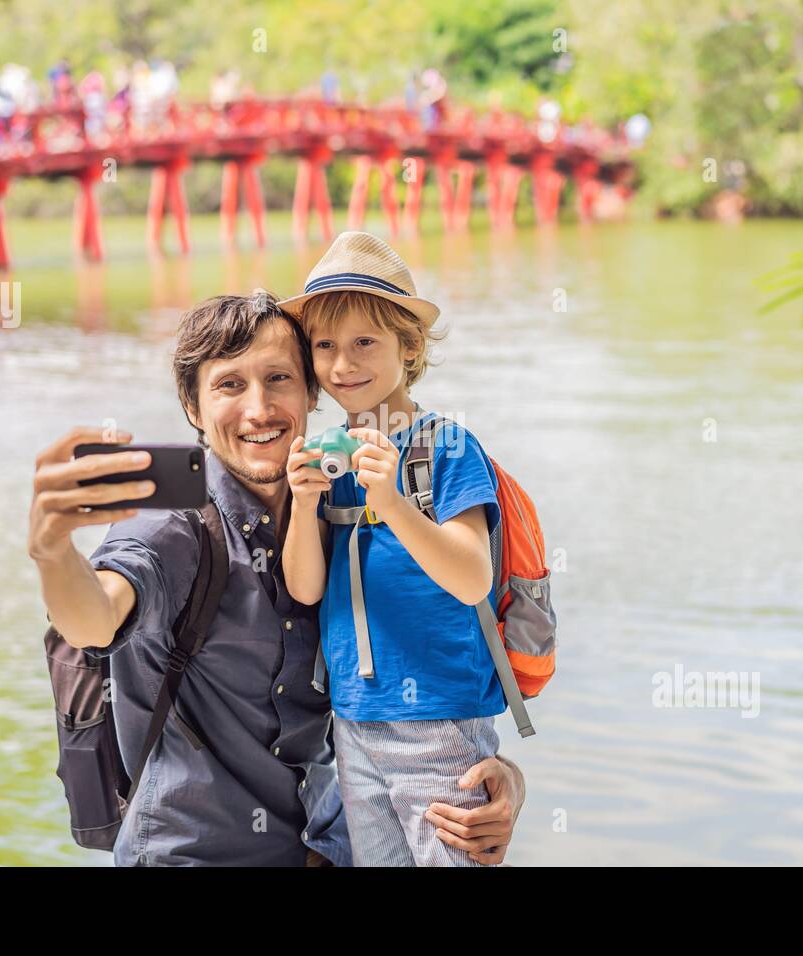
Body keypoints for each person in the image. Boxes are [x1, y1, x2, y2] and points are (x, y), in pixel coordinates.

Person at [28, 292, 525, 866]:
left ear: (311, 391)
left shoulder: (344, 498)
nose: (259, 409)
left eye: (278, 378)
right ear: (193, 407)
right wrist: (51, 551)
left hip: (327, 844)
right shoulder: (175, 527)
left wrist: (488, 771)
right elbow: (96, 618)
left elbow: (427, 631)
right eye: (229, 386)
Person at [279, 232, 510, 866]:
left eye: (364, 343)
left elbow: (470, 579)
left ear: (409, 349)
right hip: (352, 720)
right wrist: (303, 505)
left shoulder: (448, 446)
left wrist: (396, 504)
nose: (342, 363)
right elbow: (307, 588)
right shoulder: (331, 454)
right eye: (324, 346)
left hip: (436, 718)